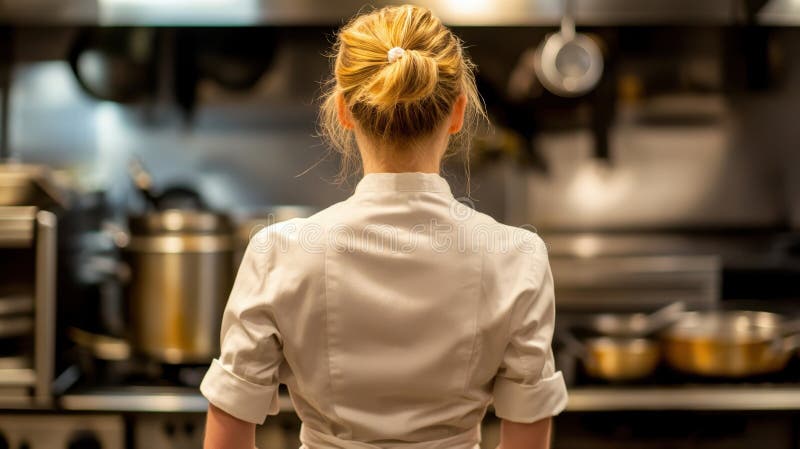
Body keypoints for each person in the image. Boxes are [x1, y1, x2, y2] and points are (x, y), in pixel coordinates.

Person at [201, 5, 568, 449]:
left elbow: (227, 435)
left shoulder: (278, 252)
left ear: (343, 110)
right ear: (457, 113)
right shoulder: (517, 256)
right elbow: (527, 434)